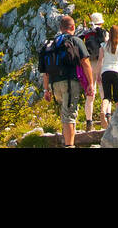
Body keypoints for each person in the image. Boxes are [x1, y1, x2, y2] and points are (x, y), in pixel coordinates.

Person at [38, 15, 94, 147]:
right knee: (69, 115)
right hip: (70, 82)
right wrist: (90, 83)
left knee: (66, 115)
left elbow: (45, 72)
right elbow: (85, 63)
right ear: (73, 27)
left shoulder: (51, 44)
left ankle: (70, 143)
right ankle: (69, 145)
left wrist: (46, 90)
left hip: (54, 84)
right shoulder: (75, 40)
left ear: (60, 28)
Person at [95, 24, 118, 128]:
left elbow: (99, 61)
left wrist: (98, 74)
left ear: (109, 34)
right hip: (116, 72)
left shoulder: (103, 46)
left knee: (107, 97)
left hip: (105, 72)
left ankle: (103, 111)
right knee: (117, 98)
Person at [78, 13, 108, 131]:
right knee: (104, 93)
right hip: (102, 63)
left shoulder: (86, 33)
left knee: (90, 94)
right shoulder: (104, 33)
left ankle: (89, 122)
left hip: (89, 64)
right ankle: (106, 117)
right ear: (101, 22)